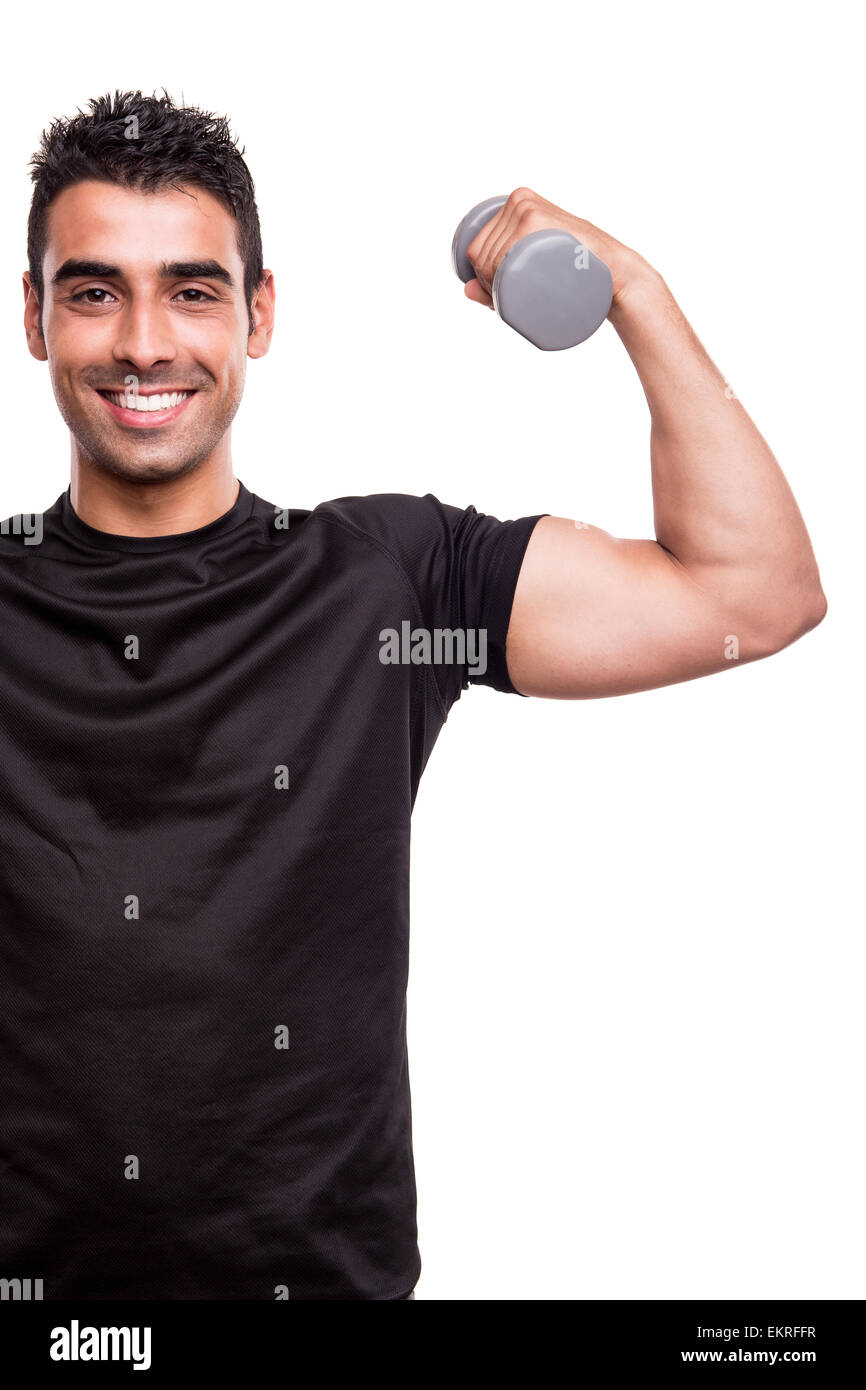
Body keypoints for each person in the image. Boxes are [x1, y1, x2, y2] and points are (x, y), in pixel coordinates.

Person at [0, 91, 826, 1302]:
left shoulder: (383, 585)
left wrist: (633, 294)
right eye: (92, 290)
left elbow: (752, 592)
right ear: (34, 316)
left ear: (258, 313)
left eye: (191, 289)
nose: (142, 342)